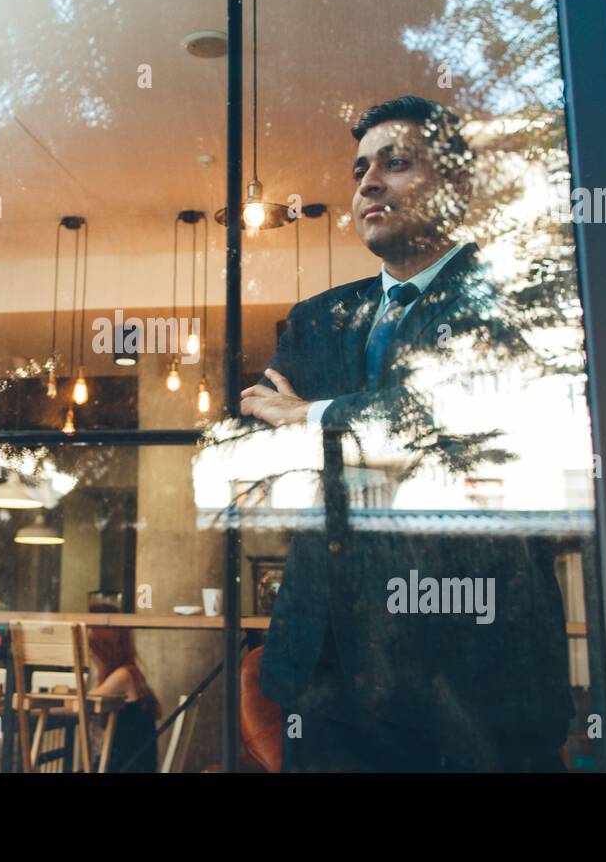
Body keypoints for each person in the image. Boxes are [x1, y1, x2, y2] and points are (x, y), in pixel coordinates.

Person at [240, 95, 574, 772]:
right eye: (361, 167)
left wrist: (315, 415)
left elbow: (457, 412)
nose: (367, 183)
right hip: (326, 672)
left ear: (455, 187)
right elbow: (262, 441)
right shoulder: (317, 318)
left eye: (396, 164)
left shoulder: (518, 294)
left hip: (474, 670)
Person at [86, 620, 162, 773]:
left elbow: (84, 702)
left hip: (129, 767)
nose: (89, 653)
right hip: (130, 764)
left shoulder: (123, 675)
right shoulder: (128, 672)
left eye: (91, 647)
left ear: (103, 649)